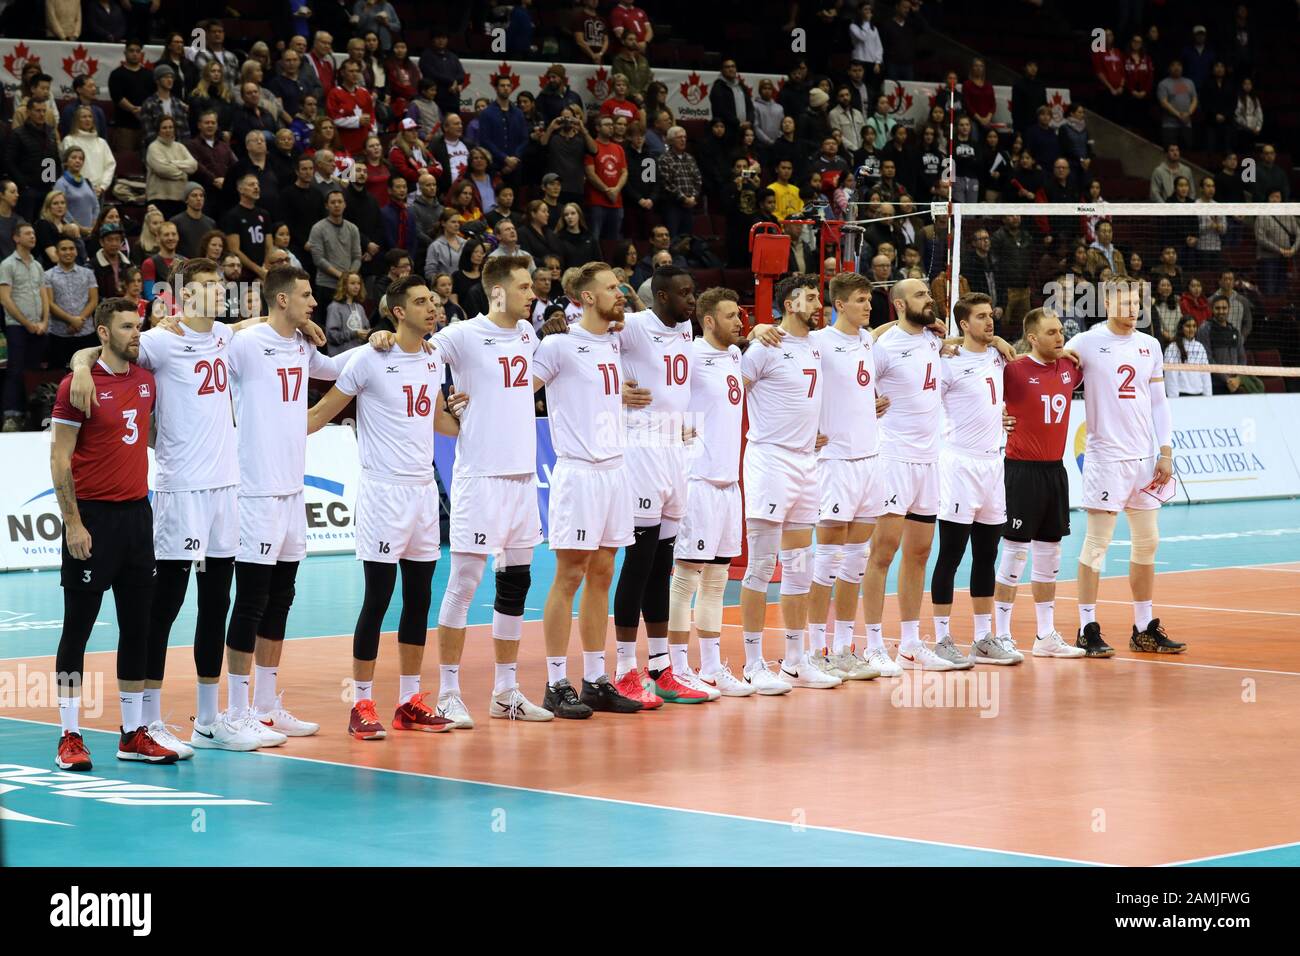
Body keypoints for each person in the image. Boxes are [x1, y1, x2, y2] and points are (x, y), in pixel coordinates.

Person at [67, 260, 261, 752]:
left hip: (225, 488)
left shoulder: (225, 336)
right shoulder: (159, 340)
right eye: (212, 287)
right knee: (165, 605)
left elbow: (253, 324)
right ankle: (147, 719)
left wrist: (301, 321)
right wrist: (80, 365)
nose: (222, 293)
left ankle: (209, 717)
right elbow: (104, 345)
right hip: (180, 490)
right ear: (186, 296)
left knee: (217, 601)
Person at [306, 273, 463, 738]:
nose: (433, 308)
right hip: (382, 492)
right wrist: (264, 433)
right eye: (421, 302)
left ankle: (410, 700)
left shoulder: (434, 360)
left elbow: (438, 420)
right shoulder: (370, 358)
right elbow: (320, 414)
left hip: (421, 492)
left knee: (419, 599)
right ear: (397, 312)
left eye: (433, 301)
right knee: (377, 599)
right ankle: (361, 704)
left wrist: (470, 415)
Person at [220, 266, 347, 743]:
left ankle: (267, 705)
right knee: (250, 600)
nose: (314, 303)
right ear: (279, 300)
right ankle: (234, 711)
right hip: (255, 491)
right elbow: (204, 349)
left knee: (281, 599)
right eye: (306, 295)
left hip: (292, 492)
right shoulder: (247, 344)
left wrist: (381, 342)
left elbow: (336, 371)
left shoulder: (300, 346)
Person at [50, 299, 172, 770]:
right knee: (76, 629)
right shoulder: (76, 387)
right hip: (93, 520)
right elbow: (60, 458)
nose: (135, 333)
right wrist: (73, 522)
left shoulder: (146, 382)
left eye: (137, 325)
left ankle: (132, 733)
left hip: (138, 518)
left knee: (137, 628)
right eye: (125, 327)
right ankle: (69, 734)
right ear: (103, 332)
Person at [532, 262, 645, 713]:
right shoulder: (558, 344)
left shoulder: (617, 341)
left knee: (603, 574)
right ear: (586, 297)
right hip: (578, 472)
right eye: (611, 288)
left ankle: (596, 677)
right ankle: (555, 682)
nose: (620, 292)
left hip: (616, 470)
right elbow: (522, 388)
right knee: (570, 575)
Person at [1066, 281, 1185, 656]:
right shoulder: (1086, 342)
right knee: (1098, 544)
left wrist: (1164, 451)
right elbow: (1049, 365)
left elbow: (1159, 403)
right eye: (1125, 301)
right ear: (1107, 302)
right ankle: (1087, 627)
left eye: (1137, 302)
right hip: (1105, 460)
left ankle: (1143, 627)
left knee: (1148, 541)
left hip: (1144, 460)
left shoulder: (1149, 345)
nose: (1132, 308)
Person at [736, 273, 834, 691]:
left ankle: (795, 660)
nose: (818, 304)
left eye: (819, 297)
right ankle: (753, 662)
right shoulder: (764, 347)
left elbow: (868, 337)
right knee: (761, 566)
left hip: (806, 463)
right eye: (810, 298)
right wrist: (755, 329)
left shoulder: (817, 342)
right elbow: (731, 389)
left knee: (799, 568)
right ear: (789, 304)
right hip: (770, 461)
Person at [664, 287, 752, 697]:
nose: (740, 321)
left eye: (741, 314)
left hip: (728, 483)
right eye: (732, 315)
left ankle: (713, 666)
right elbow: (660, 398)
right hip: (697, 480)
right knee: (686, 581)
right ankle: (678, 667)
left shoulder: (735, 355)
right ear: (709, 320)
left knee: (717, 580)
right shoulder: (691, 357)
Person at [800, 271, 888, 680]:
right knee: (828, 560)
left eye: (869, 299)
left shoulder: (868, 340)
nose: (868, 306)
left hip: (870, 460)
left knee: (856, 562)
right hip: (835, 463)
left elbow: (885, 332)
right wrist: (763, 327)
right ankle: (814, 649)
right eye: (860, 300)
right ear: (839, 305)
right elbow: (775, 344)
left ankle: (842, 647)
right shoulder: (818, 343)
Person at [925, 293, 1020, 666]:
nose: (989, 321)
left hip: (992, 464)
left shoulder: (998, 354)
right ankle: (942, 638)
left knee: (987, 553)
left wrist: (998, 341)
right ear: (963, 324)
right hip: (958, 465)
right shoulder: (947, 362)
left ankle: (983, 638)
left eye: (991, 315)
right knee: (950, 553)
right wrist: (943, 343)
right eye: (980, 317)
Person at [990, 308, 1085, 658]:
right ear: (1032, 337)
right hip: (1021, 471)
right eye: (1051, 333)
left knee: (1050, 554)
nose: (1059, 338)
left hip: (1054, 471)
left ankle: (1045, 636)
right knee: (1015, 553)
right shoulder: (1012, 370)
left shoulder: (1070, 368)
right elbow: (973, 387)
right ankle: (1001, 634)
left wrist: (1065, 352)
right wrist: (997, 415)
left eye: (1060, 331)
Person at [1, 223, 50, 430]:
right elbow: (5, 299)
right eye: (28, 233)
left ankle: (32, 413)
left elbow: (44, 295)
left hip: (39, 326)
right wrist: (27, 323)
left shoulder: (37, 265)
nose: (33, 236)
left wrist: (44, 321)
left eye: (34, 233)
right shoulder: (8, 264)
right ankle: (11, 415)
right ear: (16, 238)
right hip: (17, 326)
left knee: (33, 371)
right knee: (15, 370)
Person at [1164, 316, 1212, 398]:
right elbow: (1171, 376)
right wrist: (1173, 398)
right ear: (1181, 328)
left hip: (1199, 394)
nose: (1192, 329)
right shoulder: (1172, 348)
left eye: (1194, 326)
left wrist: (1208, 396)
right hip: (1181, 394)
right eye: (1188, 326)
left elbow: (1205, 374)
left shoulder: (1200, 347)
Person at [325, 270, 371, 354]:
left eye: (359, 283)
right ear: (344, 285)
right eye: (353, 283)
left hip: (358, 355)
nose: (357, 286)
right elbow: (332, 335)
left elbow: (366, 328)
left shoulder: (360, 308)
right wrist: (354, 334)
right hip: (341, 356)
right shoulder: (334, 307)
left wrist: (368, 333)